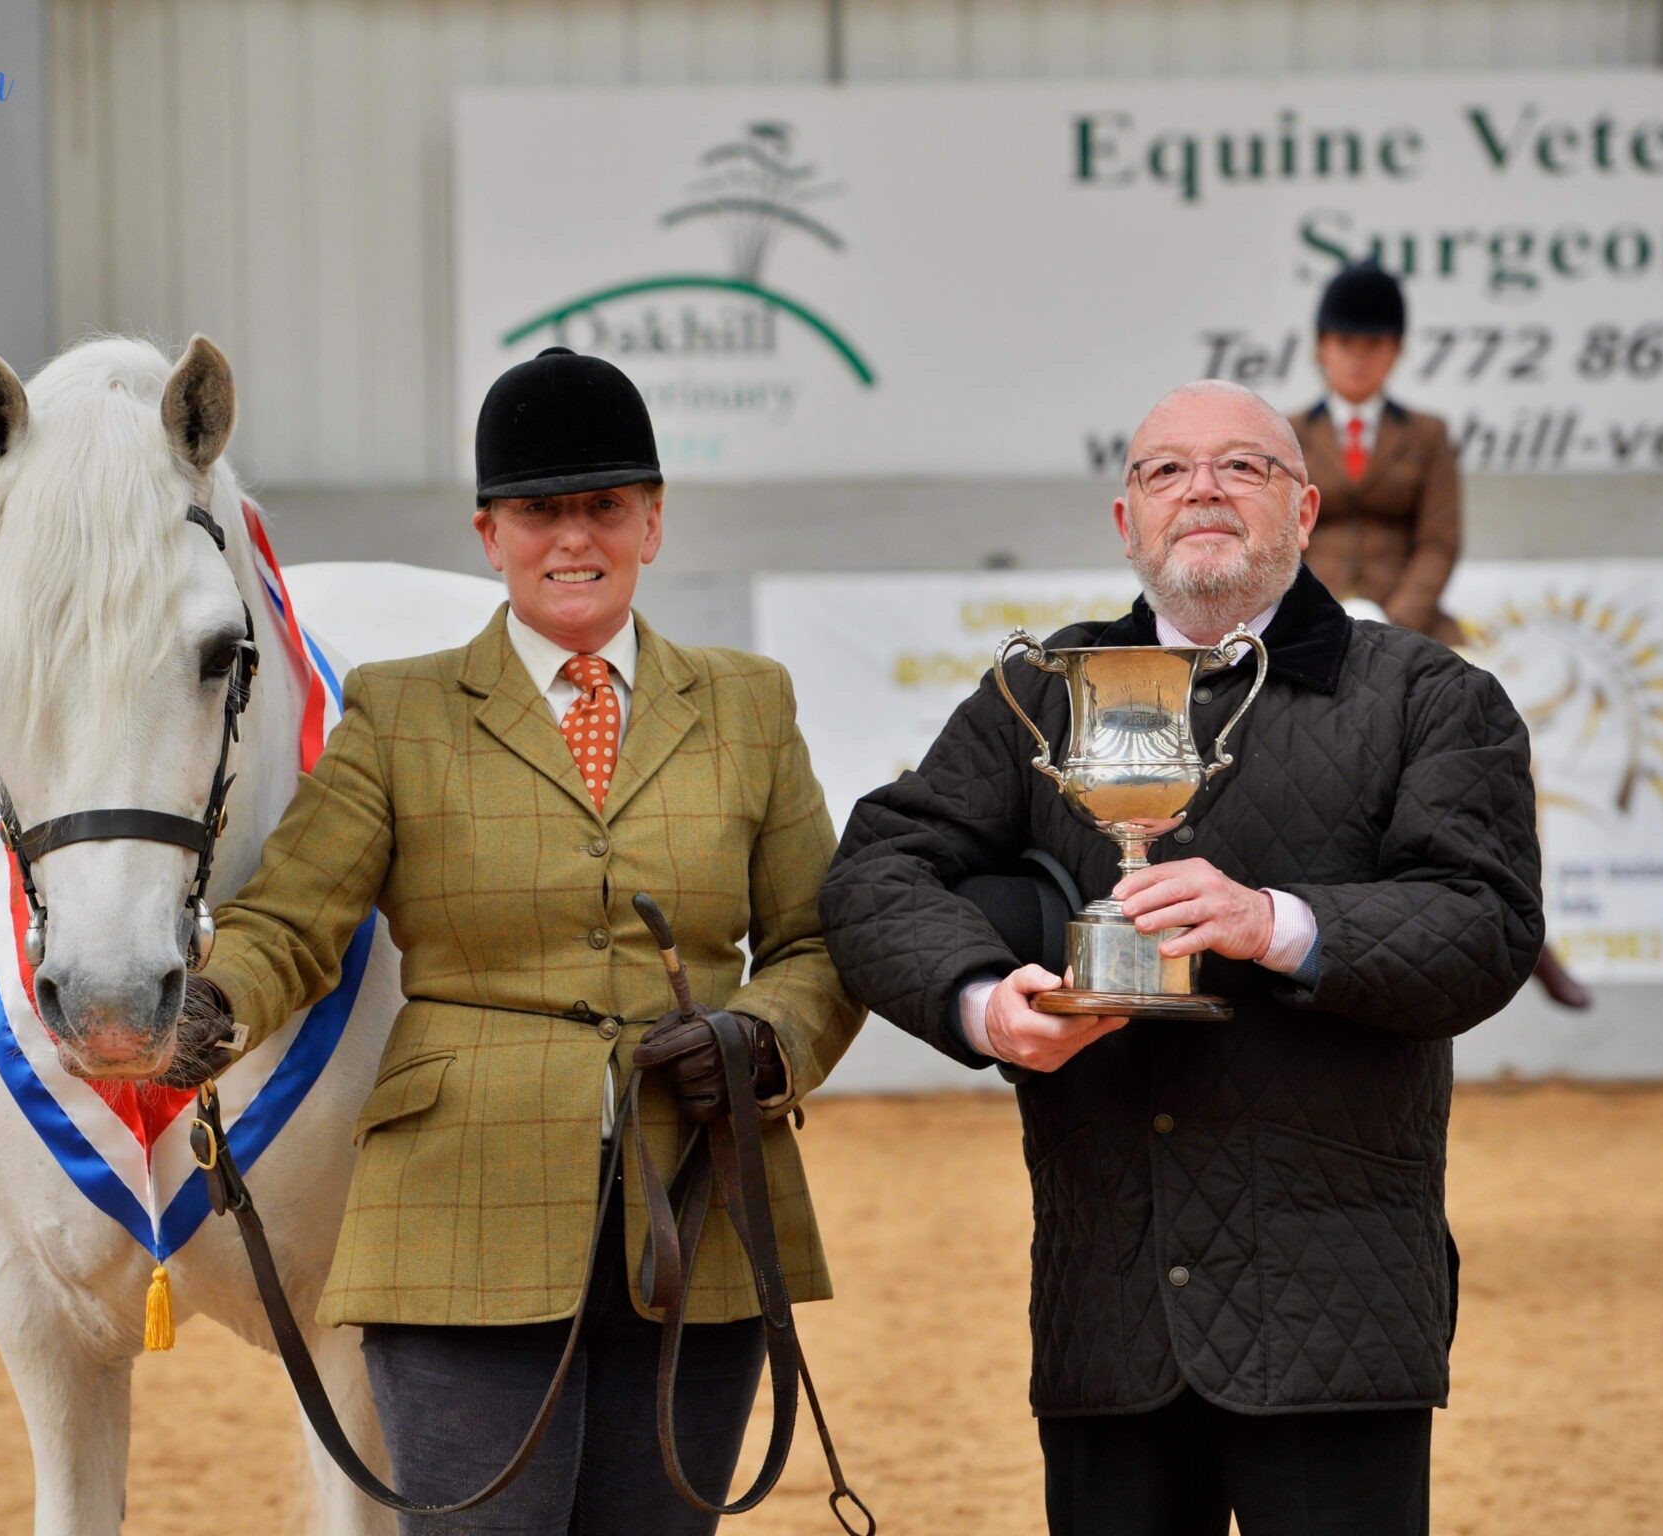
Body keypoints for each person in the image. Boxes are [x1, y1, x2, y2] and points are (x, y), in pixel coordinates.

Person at [818, 380, 1544, 1536]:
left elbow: (1484, 927)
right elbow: (872, 874)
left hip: (1333, 1317)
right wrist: (978, 1004)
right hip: (1106, 1315)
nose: (1199, 488)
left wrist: (1274, 922)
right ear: (1125, 523)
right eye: (1164, 470)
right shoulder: (1037, 697)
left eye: (1240, 467)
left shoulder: (1426, 697)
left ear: (1303, 510)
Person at [162, 345, 865, 1535]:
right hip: (456, 1211)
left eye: (603, 506)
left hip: (696, 1202)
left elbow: (817, 941)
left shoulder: (750, 705)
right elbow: (292, 917)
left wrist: (757, 1039)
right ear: (489, 534)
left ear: (651, 520)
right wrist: (214, 1006)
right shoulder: (399, 711)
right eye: (539, 511)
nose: (572, 539)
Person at [1295, 260, 1589, 1008]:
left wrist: (1397, 617)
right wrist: (1323, 615)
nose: (1358, 357)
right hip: (1313, 618)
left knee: (1504, 743)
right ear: (1322, 348)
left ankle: (1527, 915)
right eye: (1345, 343)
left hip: (1412, 620)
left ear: (1393, 353)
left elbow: (1440, 540)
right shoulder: (1286, 435)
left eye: (1373, 344)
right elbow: (1278, 538)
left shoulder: (1427, 436)